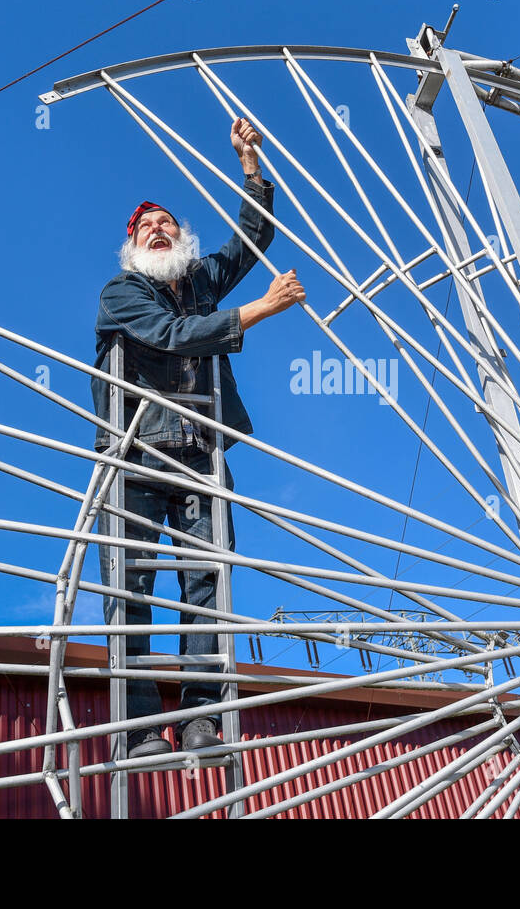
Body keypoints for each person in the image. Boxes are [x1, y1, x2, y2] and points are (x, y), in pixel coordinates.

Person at [91, 117, 305, 759]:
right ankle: (132, 730)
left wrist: (249, 163)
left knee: (208, 584)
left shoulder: (199, 283)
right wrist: (257, 311)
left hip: (200, 453)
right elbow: (169, 336)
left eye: (169, 224)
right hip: (135, 454)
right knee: (130, 587)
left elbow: (252, 238)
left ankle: (200, 720)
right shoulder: (122, 293)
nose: (161, 230)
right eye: (148, 226)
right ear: (131, 244)